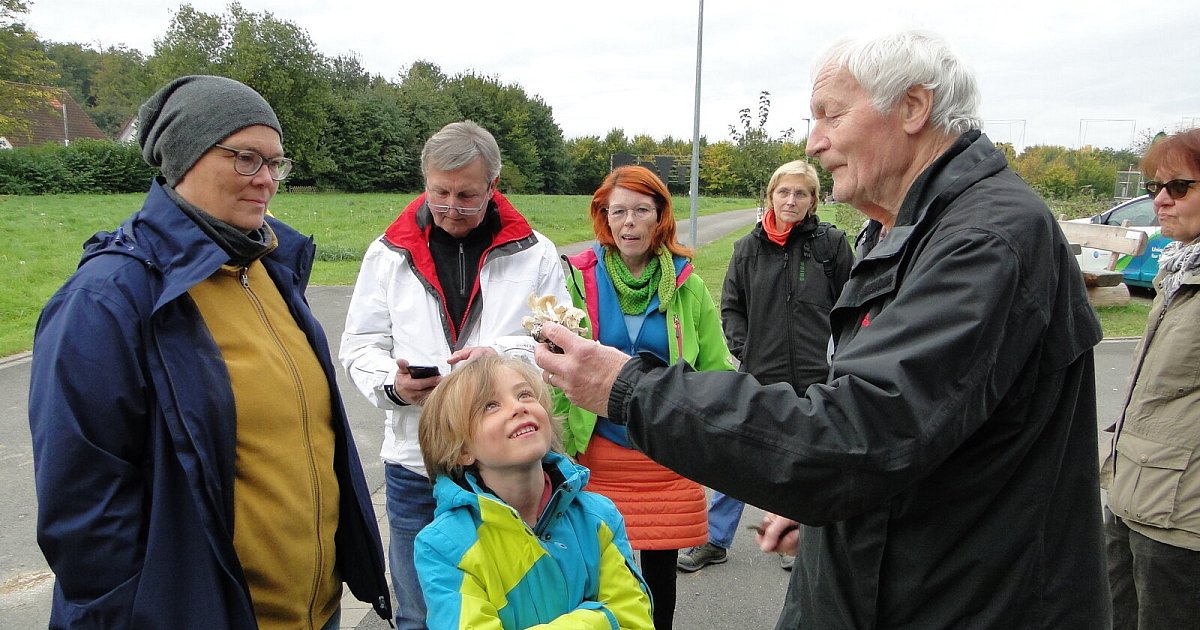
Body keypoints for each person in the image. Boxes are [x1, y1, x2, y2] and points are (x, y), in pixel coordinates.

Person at [536, 29, 1110, 629]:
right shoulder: (906, 229)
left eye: (831, 115)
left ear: (913, 107)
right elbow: (914, 435)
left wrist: (628, 387)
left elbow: (858, 432)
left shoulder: (982, 241)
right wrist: (836, 519)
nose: (814, 142)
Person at [27, 75, 391, 629]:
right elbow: (84, 514)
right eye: (246, 158)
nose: (266, 179)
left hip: (317, 613)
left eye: (275, 163)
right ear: (185, 156)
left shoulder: (269, 269)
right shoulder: (106, 300)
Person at [339, 120, 569, 629]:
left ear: (493, 186)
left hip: (510, 469)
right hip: (416, 464)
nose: (450, 207)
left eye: (466, 195)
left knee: (516, 608)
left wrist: (497, 359)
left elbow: (557, 343)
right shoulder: (388, 253)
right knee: (419, 615)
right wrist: (394, 385)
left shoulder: (536, 253)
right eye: (439, 193)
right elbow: (359, 346)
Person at [555, 164, 734, 628]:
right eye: (618, 212)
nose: (629, 222)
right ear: (604, 218)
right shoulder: (578, 281)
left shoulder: (688, 285)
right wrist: (556, 440)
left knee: (659, 577)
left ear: (660, 217)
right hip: (596, 454)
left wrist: (710, 435)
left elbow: (715, 368)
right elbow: (555, 365)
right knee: (602, 574)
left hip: (666, 453)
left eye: (641, 210)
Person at [677, 160, 852, 574]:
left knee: (807, 460)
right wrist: (746, 348)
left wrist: (840, 356)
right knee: (737, 456)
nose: (791, 200)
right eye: (783, 192)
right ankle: (715, 540)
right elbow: (731, 308)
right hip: (759, 373)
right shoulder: (747, 249)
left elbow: (852, 303)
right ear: (771, 196)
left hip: (817, 377)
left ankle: (798, 539)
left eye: (801, 193)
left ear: (813, 200)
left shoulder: (831, 245)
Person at [413, 355, 654, 629]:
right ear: (462, 450)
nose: (518, 407)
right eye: (490, 406)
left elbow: (635, 620)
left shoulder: (599, 516)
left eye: (525, 394)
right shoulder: (443, 546)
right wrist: (601, 618)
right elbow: (618, 617)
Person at [1101, 128, 1200, 630]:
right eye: (1155, 187)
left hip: (1183, 521)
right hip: (1135, 494)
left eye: (1179, 187)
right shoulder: (1180, 272)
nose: (1160, 200)